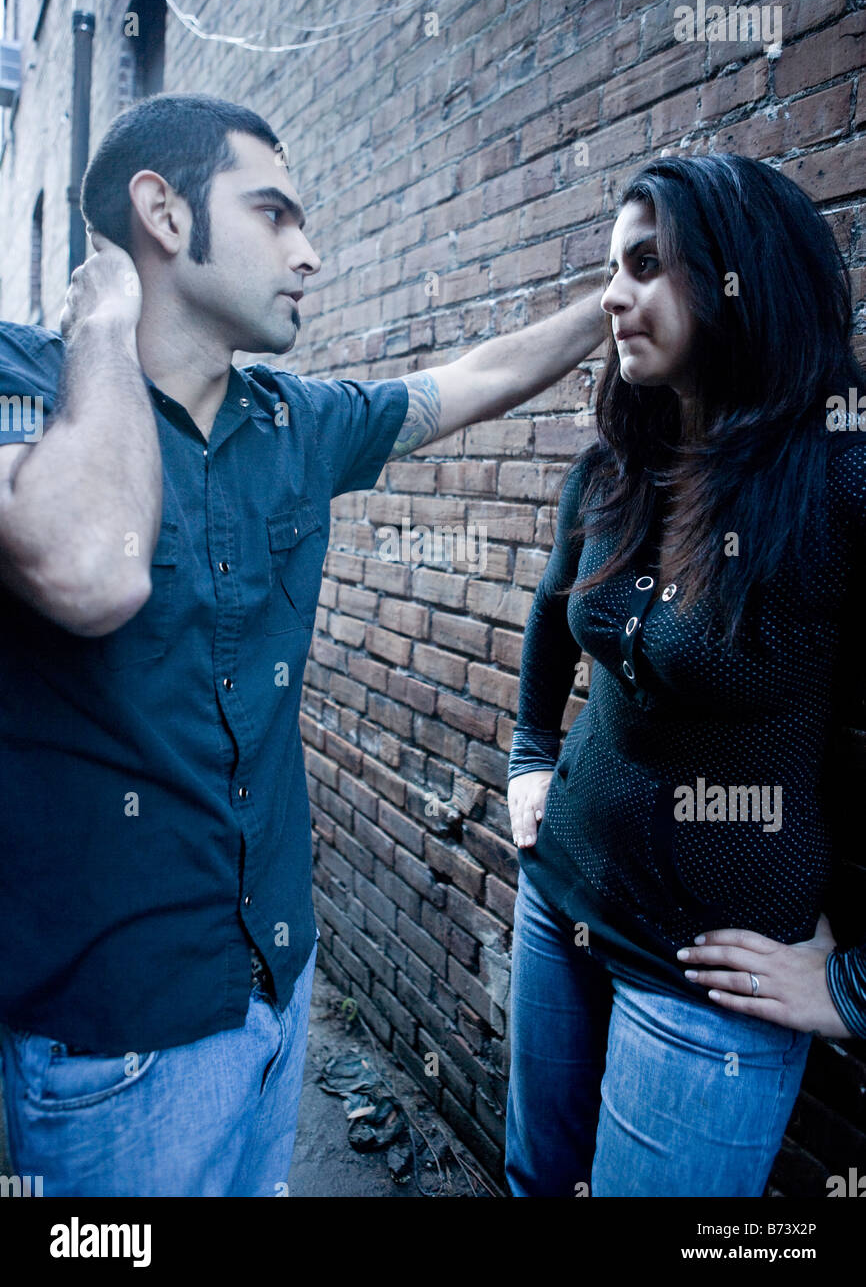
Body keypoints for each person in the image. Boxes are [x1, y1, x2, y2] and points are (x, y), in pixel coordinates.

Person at [0, 92, 606, 1197]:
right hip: (115, 1041)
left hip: (278, 979)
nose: (309, 254)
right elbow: (91, 563)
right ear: (163, 215)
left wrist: (609, 304)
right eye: (273, 214)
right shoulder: (21, 382)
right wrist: (98, 327)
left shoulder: (295, 420)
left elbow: (465, 383)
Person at [504, 151, 866, 1198]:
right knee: (535, 1180)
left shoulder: (840, 479)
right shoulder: (619, 464)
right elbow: (549, 618)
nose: (611, 295)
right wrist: (530, 754)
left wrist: (849, 987)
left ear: (739, 272)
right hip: (558, 894)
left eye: (646, 264)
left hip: (709, 975)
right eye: (613, 266)